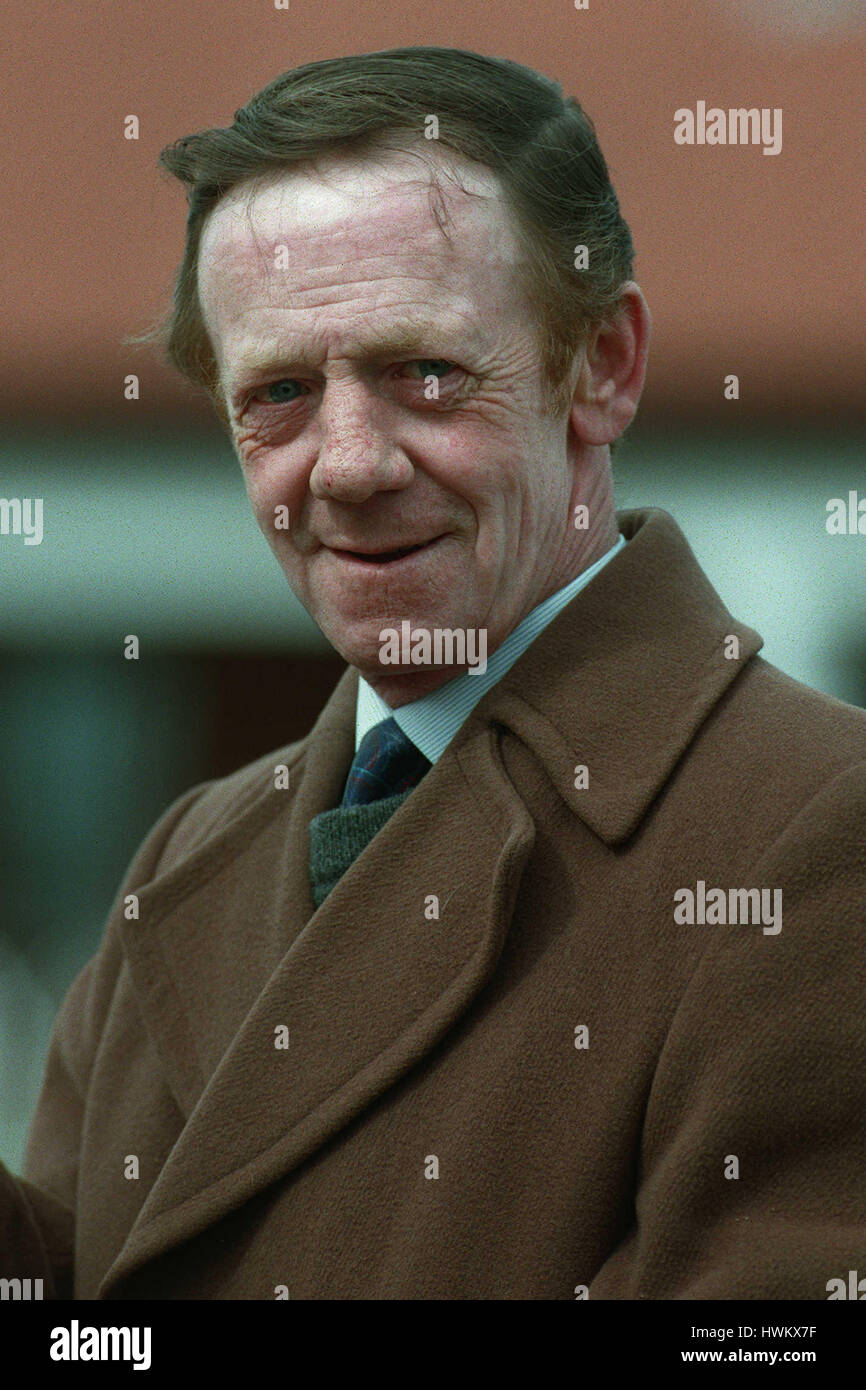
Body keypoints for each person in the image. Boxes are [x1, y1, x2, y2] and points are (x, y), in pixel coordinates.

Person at [4, 47, 865, 1301]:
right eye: (281, 394)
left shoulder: (813, 834)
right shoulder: (193, 854)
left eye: (424, 374)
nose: (345, 465)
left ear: (603, 367)